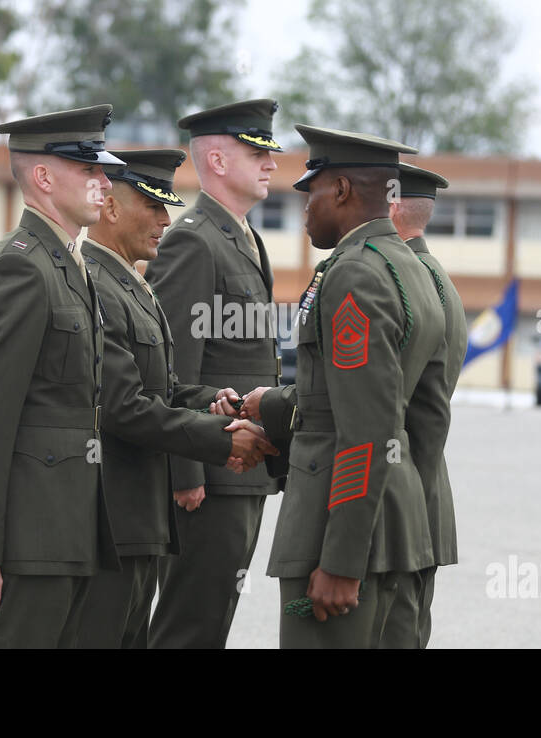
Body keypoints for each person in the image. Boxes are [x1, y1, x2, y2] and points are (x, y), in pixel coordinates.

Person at [247, 124, 448, 648]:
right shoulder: (414, 270)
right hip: (395, 527)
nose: (305, 209)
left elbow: (364, 427)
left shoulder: (354, 273)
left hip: (338, 531)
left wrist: (341, 560)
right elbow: (425, 419)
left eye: (310, 192)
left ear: (339, 190)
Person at [73, 148, 277, 648]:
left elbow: (164, 384)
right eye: (153, 206)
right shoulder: (95, 282)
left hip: (140, 513)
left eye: (168, 206)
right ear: (111, 208)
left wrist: (215, 401)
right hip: (111, 509)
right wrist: (216, 442)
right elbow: (124, 404)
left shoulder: (132, 283)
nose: (166, 219)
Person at [0, 104, 125, 648]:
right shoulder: (21, 266)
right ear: (44, 177)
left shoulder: (69, 263)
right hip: (28, 542)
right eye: (90, 169)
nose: (105, 182)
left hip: (68, 534)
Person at [143, 99, 286, 648]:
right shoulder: (194, 239)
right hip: (209, 473)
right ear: (219, 162)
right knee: (190, 624)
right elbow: (172, 369)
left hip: (240, 471)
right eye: (257, 152)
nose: (271, 163)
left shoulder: (244, 236)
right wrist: (186, 472)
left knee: (212, 621)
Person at [380, 162, 466, 648]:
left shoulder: (407, 278)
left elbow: (416, 407)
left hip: (402, 492)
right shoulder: (435, 276)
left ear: (391, 206)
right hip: (419, 492)